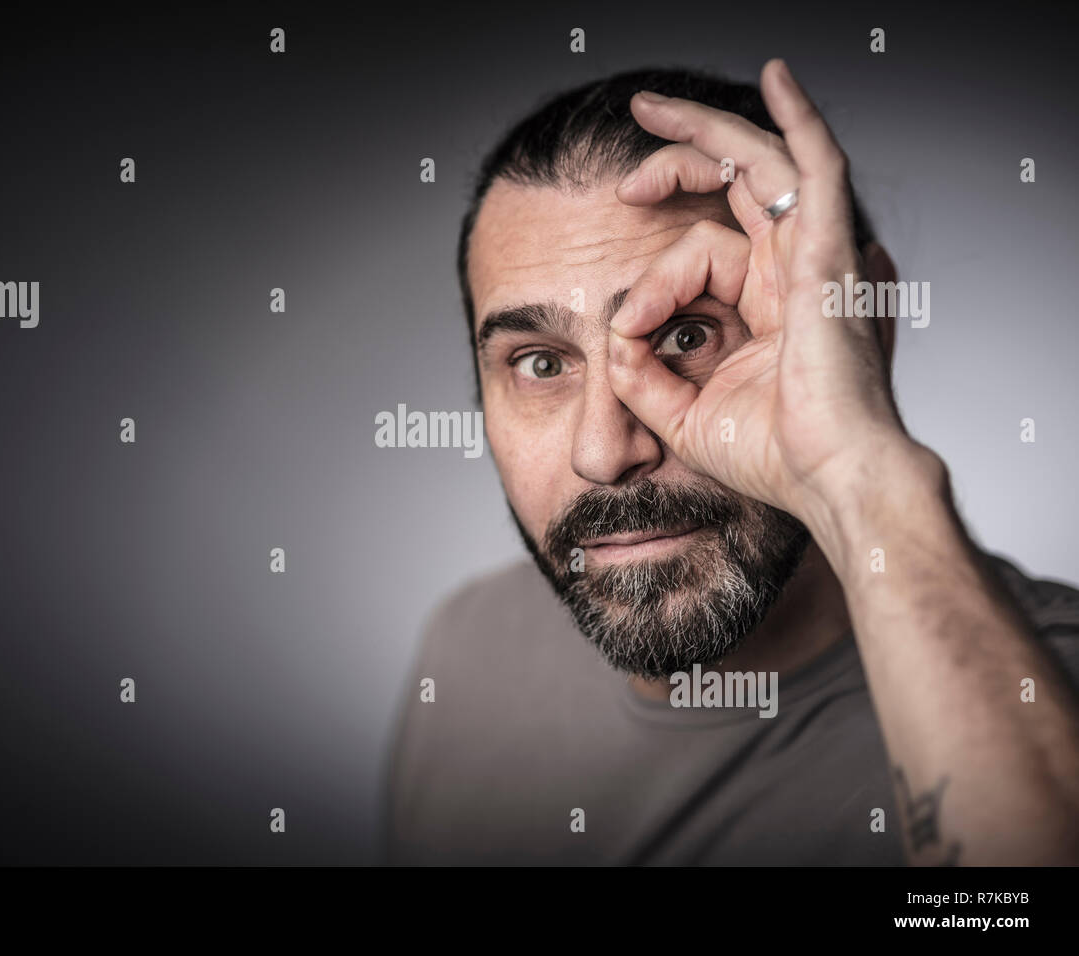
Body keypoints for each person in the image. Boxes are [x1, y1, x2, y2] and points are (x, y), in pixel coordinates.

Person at [382, 60, 1079, 865]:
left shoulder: (1048, 694)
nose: (606, 452)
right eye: (541, 364)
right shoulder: (468, 647)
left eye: (688, 336)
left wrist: (859, 473)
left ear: (865, 333)